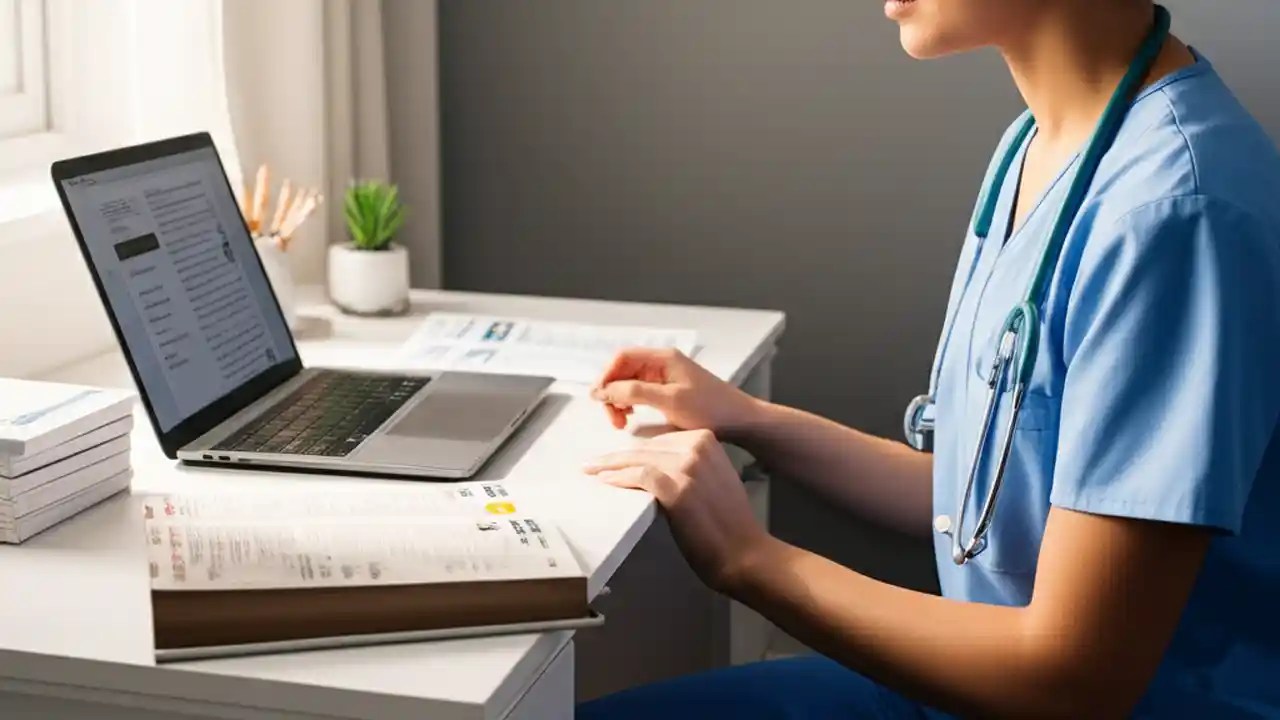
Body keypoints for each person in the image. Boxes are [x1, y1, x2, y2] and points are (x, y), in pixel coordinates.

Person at [578, 1, 1280, 717]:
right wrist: (753, 421)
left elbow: (1075, 679)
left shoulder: (1175, 218)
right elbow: (979, 504)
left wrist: (748, 559)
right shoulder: (1046, 144)